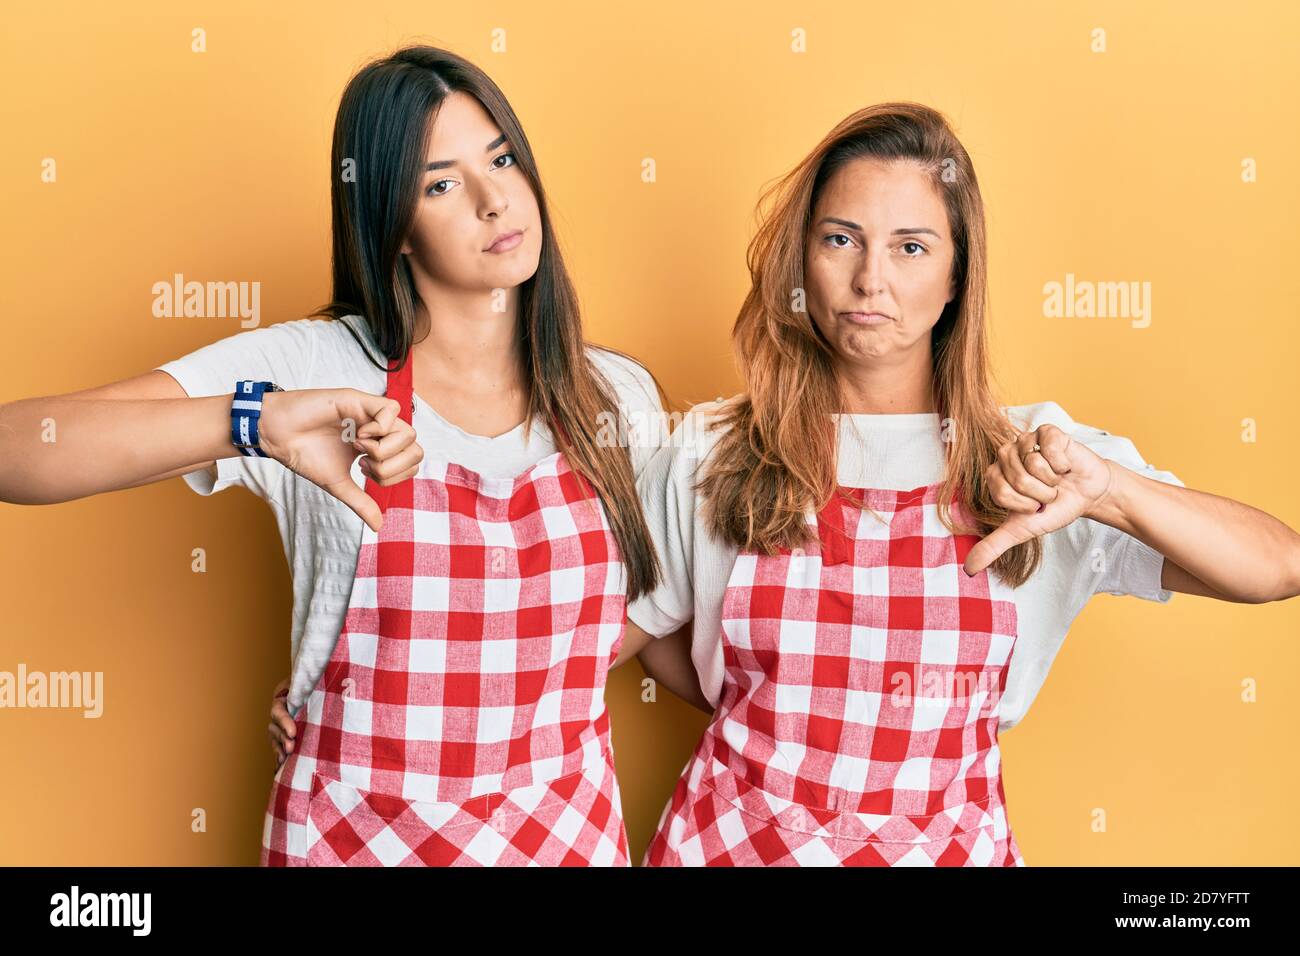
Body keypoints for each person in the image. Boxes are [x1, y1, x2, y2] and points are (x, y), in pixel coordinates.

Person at [0, 44, 699, 866]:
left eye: (502, 158)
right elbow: (21, 450)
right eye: (441, 184)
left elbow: (635, 618)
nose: (492, 199)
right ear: (392, 227)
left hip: (562, 835)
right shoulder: (315, 369)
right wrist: (256, 421)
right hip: (353, 839)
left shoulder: (617, 395)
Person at [620, 102, 1300, 866]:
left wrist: (1110, 491)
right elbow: (589, 644)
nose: (870, 278)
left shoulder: (1043, 463)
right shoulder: (712, 451)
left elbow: (1278, 568)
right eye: (841, 239)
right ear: (800, 262)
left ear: (956, 278)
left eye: (911, 247)